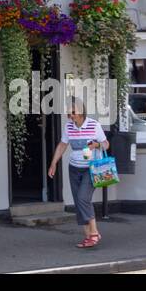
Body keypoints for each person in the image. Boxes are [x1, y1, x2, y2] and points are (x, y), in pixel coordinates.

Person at [48, 97, 110, 248]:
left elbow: (106, 144)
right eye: (69, 113)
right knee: (78, 201)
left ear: (81, 111)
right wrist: (53, 163)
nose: (71, 116)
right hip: (74, 168)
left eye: (73, 112)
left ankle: (94, 232)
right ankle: (88, 237)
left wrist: (96, 144)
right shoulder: (69, 127)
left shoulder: (94, 125)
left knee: (83, 198)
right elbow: (63, 145)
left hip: (91, 168)